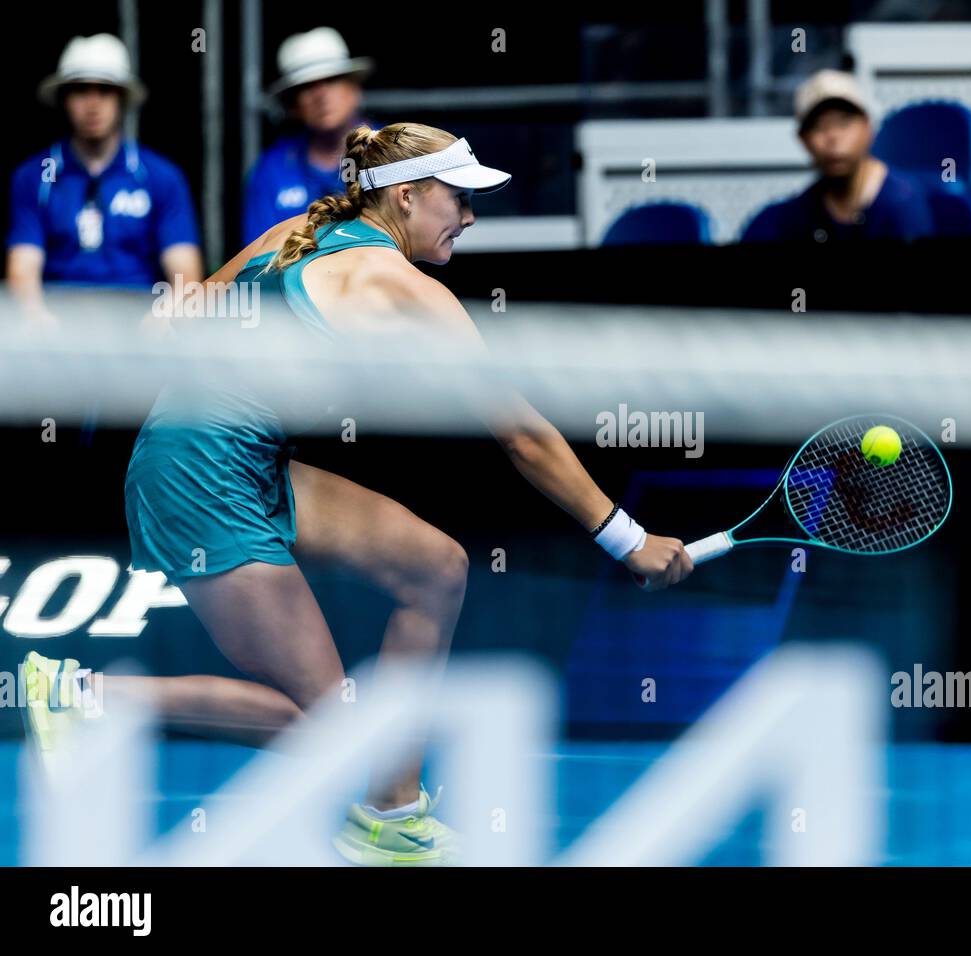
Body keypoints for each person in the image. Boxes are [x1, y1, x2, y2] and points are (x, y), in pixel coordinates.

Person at [21, 123, 694, 866]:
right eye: (459, 199)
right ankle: (88, 701)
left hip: (239, 455)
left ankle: (390, 813)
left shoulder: (296, 232)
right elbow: (522, 435)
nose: (469, 218)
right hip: (202, 474)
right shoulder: (406, 289)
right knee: (336, 725)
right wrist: (629, 540)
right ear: (406, 196)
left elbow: (171, 322)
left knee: (434, 567)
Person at [6, 34, 201, 321]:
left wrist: (161, 322)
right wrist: (39, 325)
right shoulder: (32, 176)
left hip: (138, 323)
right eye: (81, 90)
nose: (93, 103)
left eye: (105, 90)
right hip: (59, 324)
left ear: (122, 98)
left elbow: (186, 276)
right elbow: (22, 270)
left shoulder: (162, 176)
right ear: (64, 98)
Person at [740, 69, 933, 243]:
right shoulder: (795, 214)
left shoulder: (901, 203)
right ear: (803, 139)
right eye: (819, 126)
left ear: (867, 128)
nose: (833, 137)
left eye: (844, 123)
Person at [242, 27, 376, 245]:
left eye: (331, 79)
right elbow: (258, 261)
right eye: (307, 87)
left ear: (354, 89)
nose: (321, 95)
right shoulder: (271, 170)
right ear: (293, 105)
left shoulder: (396, 150)